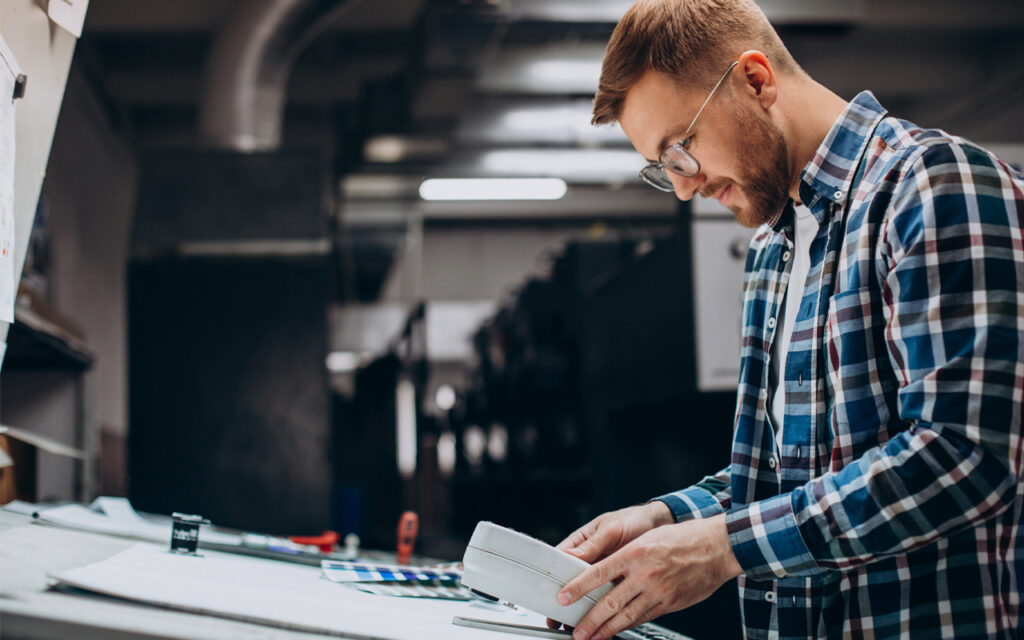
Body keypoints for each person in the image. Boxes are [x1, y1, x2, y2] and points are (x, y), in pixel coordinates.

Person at [547, 1, 1024, 639]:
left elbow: (966, 456)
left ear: (755, 79)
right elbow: (785, 478)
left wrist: (722, 548)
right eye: (664, 169)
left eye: (680, 149)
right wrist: (669, 517)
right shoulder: (774, 250)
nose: (685, 187)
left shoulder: (937, 186)